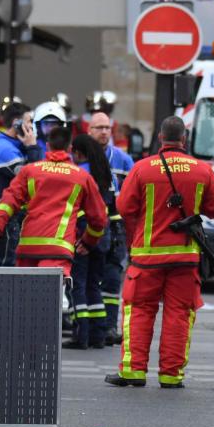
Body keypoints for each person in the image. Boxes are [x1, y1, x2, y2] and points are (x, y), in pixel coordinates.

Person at [105, 116, 214, 389]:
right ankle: (171, 376)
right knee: (178, 315)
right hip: (185, 259)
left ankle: (134, 372)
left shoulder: (142, 169)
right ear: (184, 139)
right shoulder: (202, 170)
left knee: (139, 311)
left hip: (147, 258)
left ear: (160, 137)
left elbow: (124, 207)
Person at [0, 124, 107, 280]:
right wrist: (88, 242)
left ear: (48, 146)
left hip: (27, 249)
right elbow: (98, 217)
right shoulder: (81, 177)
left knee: (25, 300)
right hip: (58, 250)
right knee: (53, 300)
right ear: (69, 148)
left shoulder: (30, 170)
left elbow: (9, 199)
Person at [66, 134, 117, 349]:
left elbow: (75, 208)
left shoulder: (79, 174)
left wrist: (81, 238)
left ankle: (81, 334)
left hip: (83, 236)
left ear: (78, 153)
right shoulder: (107, 175)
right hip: (102, 237)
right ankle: (98, 334)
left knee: (77, 285)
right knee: (94, 286)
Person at [89, 110, 134, 341]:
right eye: (99, 128)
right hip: (88, 229)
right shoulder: (80, 158)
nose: (104, 132)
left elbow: (135, 195)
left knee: (112, 279)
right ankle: (88, 327)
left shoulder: (123, 160)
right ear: (90, 130)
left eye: (107, 128)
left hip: (115, 230)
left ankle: (108, 327)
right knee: (88, 279)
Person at [0, 102, 43, 266]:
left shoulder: (9, 143)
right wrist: (32, 147)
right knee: (6, 268)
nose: (32, 126)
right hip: (5, 219)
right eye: (29, 121)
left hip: (6, 217)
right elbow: (36, 178)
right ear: (17, 122)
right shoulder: (5, 149)